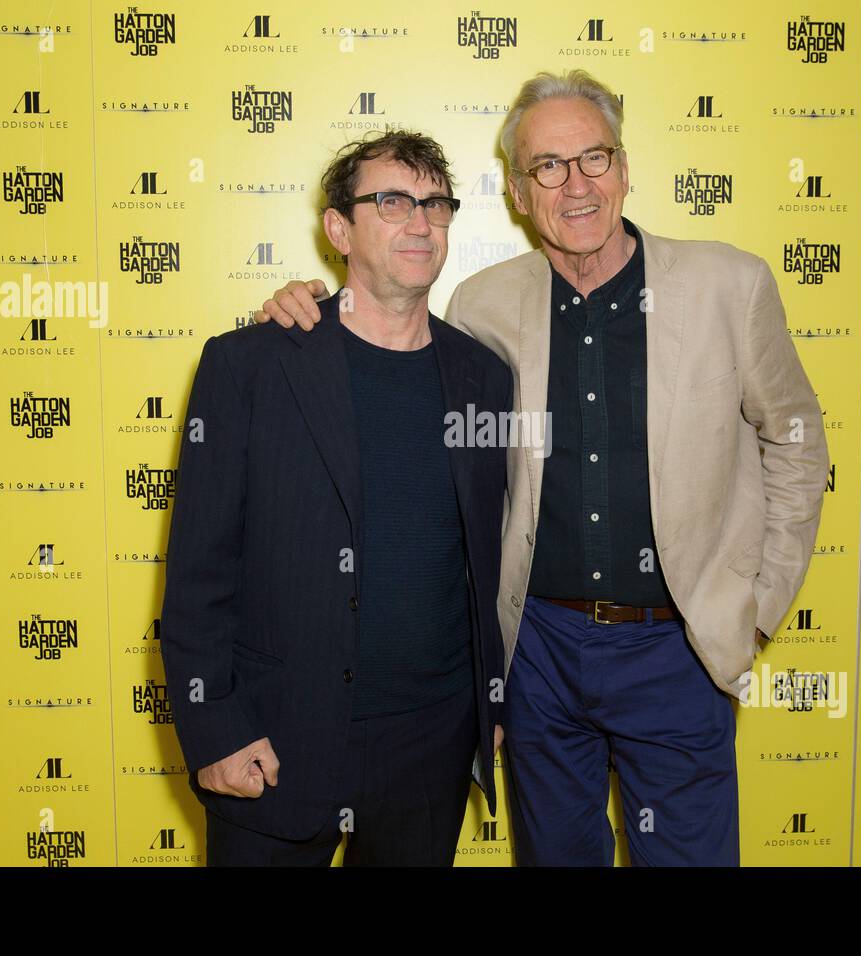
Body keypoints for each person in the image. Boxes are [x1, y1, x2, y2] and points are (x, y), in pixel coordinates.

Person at [255, 70, 830, 866]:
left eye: (593, 158)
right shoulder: (483, 305)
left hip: (679, 646)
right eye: (547, 168)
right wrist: (305, 314)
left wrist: (758, 604)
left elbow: (796, 436)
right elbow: (394, 371)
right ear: (520, 194)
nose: (576, 185)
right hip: (537, 652)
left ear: (625, 168)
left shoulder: (729, 286)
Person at [162, 130, 511, 866]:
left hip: (429, 751)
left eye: (435, 204)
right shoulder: (249, 365)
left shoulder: (483, 376)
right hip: (274, 742)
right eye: (391, 202)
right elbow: (196, 576)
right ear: (338, 228)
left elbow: (490, 562)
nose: (420, 222)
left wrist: (489, 707)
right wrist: (214, 729)